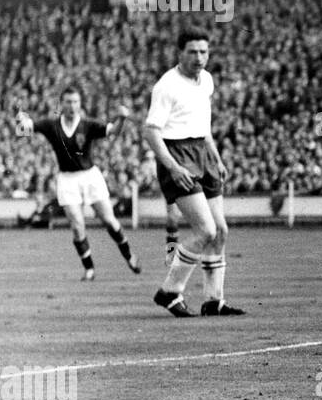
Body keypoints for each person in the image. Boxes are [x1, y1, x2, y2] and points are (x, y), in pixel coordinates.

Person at [144, 28, 244, 317]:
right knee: (205, 230)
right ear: (179, 53)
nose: (199, 57)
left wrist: (215, 156)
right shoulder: (167, 86)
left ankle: (214, 300)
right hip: (177, 154)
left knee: (220, 231)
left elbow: (203, 122)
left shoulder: (207, 80)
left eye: (203, 51)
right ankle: (169, 291)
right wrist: (173, 167)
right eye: (192, 51)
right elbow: (150, 132)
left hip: (202, 151)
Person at [13, 86, 141, 280]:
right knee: (76, 224)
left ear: (80, 104)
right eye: (68, 102)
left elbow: (113, 131)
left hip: (90, 176)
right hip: (67, 179)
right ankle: (89, 269)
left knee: (108, 220)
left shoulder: (88, 124)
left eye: (75, 102)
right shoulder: (51, 124)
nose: (72, 106)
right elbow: (23, 130)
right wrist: (19, 120)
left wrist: (121, 118)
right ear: (61, 104)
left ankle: (130, 257)